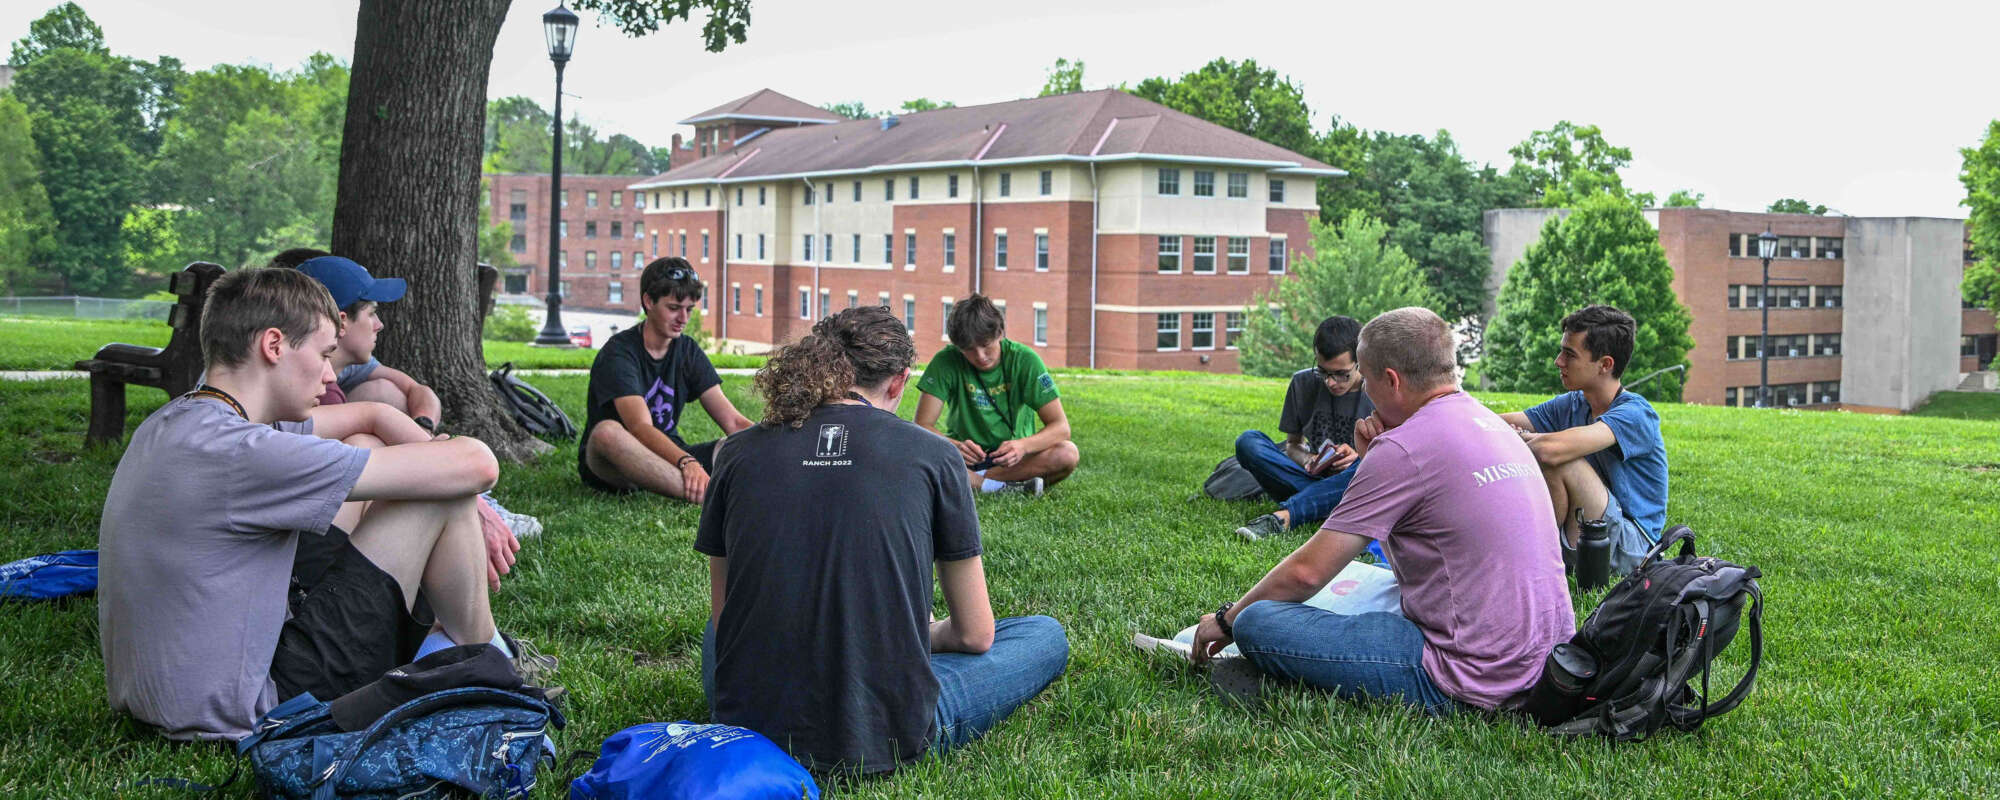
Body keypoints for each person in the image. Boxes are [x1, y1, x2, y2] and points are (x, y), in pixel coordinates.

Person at [98, 267, 511, 741]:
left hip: (171, 698)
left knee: (379, 451)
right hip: (253, 707)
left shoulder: (182, 420)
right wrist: (470, 497)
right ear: (274, 345)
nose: (331, 374)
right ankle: (492, 665)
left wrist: (399, 429)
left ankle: (460, 651)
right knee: (441, 494)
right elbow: (477, 464)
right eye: (324, 354)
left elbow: (368, 415)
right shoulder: (246, 453)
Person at [698, 306, 1069, 774]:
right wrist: (919, 631)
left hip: (749, 722)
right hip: (887, 733)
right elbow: (975, 635)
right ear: (898, 382)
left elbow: (726, 620)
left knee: (721, 627)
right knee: (1043, 634)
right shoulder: (934, 455)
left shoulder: (736, 452)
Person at [1190, 307, 1573, 714]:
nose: (1367, 395)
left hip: (1472, 674)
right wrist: (1371, 459)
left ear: (1391, 380)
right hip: (1547, 661)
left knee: (1257, 622)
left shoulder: (1405, 447)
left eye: (1367, 381)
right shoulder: (1493, 425)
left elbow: (1307, 573)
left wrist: (1227, 620)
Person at [1497, 305, 1668, 576]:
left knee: (1563, 461)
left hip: (1631, 547)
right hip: (1589, 530)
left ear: (1605, 365)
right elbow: (1497, 424)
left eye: (1570, 354)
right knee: (1555, 455)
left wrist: (1522, 437)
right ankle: (1535, 553)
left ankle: (1533, 557)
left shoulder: (1636, 415)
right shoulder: (1574, 403)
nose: (1558, 361)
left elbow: (1547, 451)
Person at [578, 257, 753, 501]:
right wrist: (687, 462)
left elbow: (733, 422)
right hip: (618, 460)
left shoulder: (687, 350)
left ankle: (702, 486)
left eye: (689, 309)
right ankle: (710, 496)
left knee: (735, 445)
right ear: (649, 301)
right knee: (606, 432)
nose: (683, 318)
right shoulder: (619, 352)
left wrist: (775, 445)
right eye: (673, 308)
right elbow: (639, 428)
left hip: (671, 456)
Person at [913, 295, 1080, 496]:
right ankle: (997, 487)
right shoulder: (945, 361)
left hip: (1014, 461)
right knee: (910, 449)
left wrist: (1022, 446)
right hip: (964, 459)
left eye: (986, 345)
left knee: (1067, 454)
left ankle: (974, 482)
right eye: (969, 350)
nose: (980, 356)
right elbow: (921, 426)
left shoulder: (1026, 360)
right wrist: (956, 446)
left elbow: (1061, 428)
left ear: (1000, 333)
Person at [1231, 316, 1376, 541]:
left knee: (1369, 467)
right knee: (1248, 442)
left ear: (1360, 362)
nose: (1330, 382)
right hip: (1309, 478)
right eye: (1323, 372)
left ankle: (1284, 517)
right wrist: (1308, 459)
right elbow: (1293, 445)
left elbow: (1389, 461)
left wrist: (1358, 456)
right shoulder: (1302, 382)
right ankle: (1323, 505)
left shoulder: (1378, 390)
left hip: (1355, 483)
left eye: (1341, 374)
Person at [294, 255, 444, 428]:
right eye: (371, 313)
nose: (380, 325)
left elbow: (416, 389)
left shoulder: (348, 365)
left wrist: (424, 425)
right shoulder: (322, 394)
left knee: (385, 391)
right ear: (342, 322)